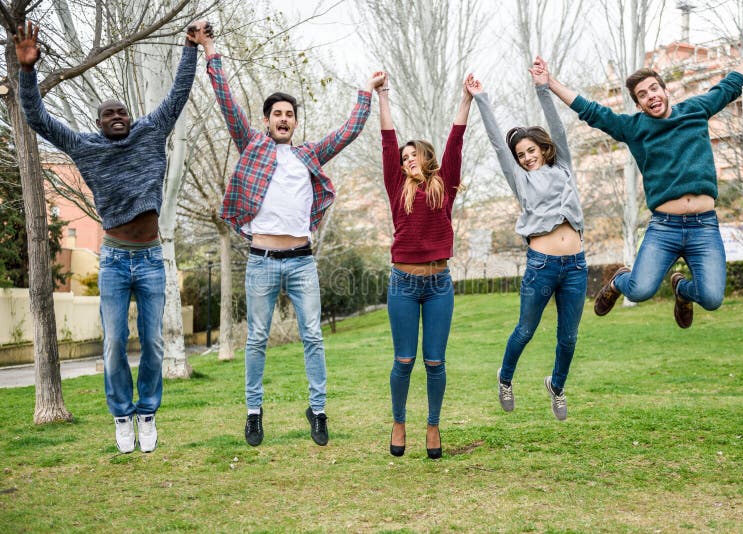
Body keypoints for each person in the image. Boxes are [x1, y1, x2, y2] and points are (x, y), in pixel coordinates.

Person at [15, 20, 207, 453]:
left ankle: (148, 412)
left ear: (130, 117)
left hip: (152, 259)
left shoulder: (150, 132)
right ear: (98, 122)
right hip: (116, 261)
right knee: (116, 342)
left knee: (154, 342)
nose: (118, 117)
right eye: (109, 114)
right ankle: (123, 414)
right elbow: (39, 119)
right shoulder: (86, 147)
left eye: (122, 112)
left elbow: (178, 94)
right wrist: (27, 73)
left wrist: (191, 48)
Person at [193, 28, 382, 448]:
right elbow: (226, 100)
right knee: (257, 338)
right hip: (261, 259)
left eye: (289, 115)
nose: (283, 119)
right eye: (276, 113)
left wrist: (365, 91)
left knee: (313, 336)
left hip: (301, 261)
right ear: (266, 120)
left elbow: (348, 131)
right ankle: (254, 413)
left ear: (295, 123)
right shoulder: (252, 147)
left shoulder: (307, 155)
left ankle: (318, 410)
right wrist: (210, 49)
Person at [545, 28, 743, 329]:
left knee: (713, 298)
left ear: (666, 91)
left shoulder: (696, 110)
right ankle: (618, 281)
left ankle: (681, 289)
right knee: (639, 290)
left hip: (704, 225)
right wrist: (550, 83)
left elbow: (730, 85)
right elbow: (592, 111)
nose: (651, 96)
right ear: (638, 105)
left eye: (654, 89)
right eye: (642, 95)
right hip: (665, 227)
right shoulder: (634, 128)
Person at [468, 59, 586, 421]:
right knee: (526, 330)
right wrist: (480, 98)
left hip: (577, 264)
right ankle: (505, 378)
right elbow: (496, 144)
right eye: (521, 155)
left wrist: (542, 86)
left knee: (568, 338)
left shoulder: (563, 165)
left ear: (543, 148)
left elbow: (557, 127)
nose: (526, 157)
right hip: (542, 265)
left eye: (531, 150)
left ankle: (558, 386)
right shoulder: (520, 180)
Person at [377, 72, 473, 459]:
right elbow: (387, 142)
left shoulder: (444, 185)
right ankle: (399, 421)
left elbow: (457, 141)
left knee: (435, 360)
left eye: (413, 153)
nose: (407, 158)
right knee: (404, 360)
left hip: (439, 285)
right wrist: (383, 95)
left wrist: (466, 99)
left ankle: (433, 426)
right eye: (404, 157)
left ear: (427, 158)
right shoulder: (395, 188)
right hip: (403, 283)